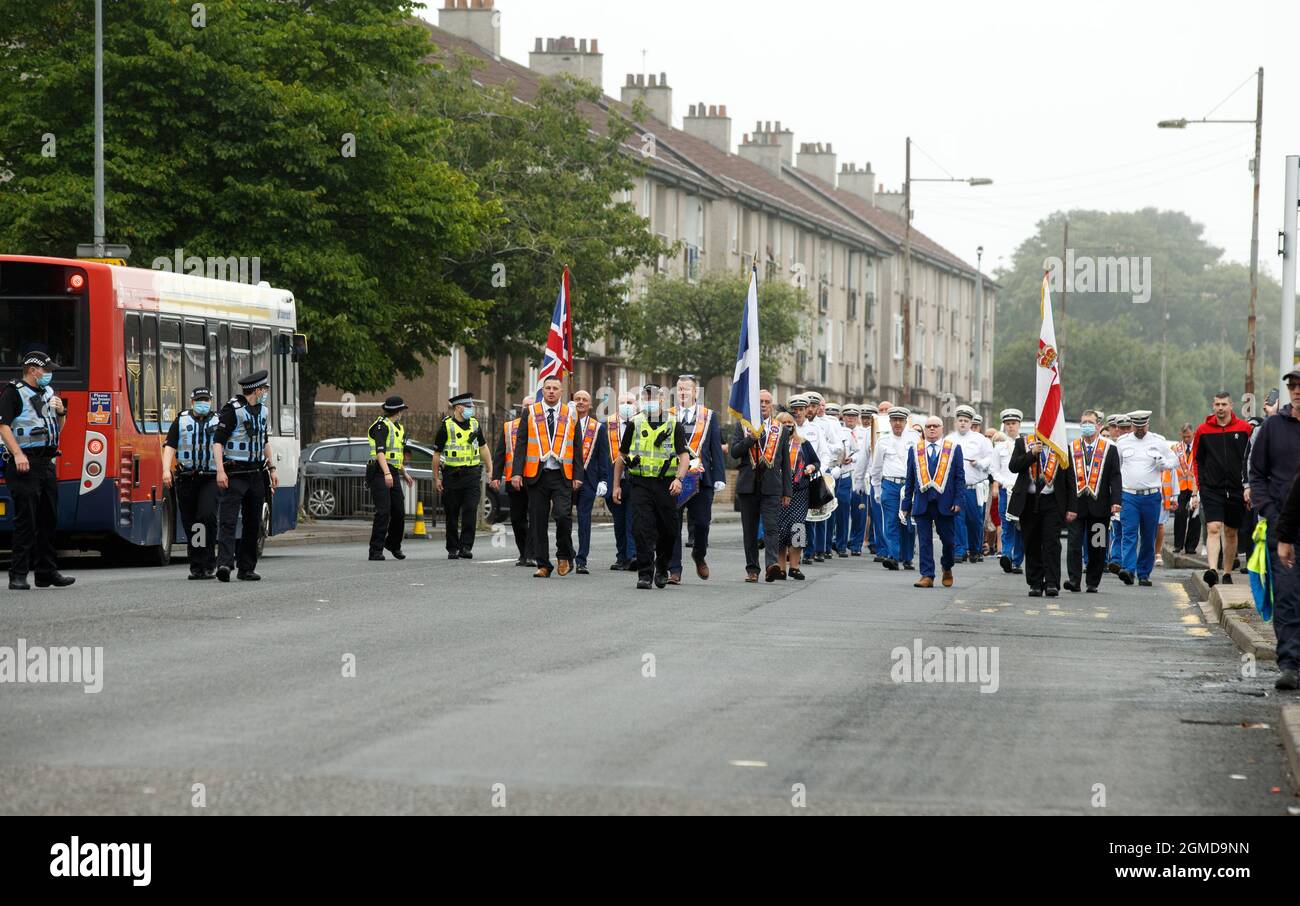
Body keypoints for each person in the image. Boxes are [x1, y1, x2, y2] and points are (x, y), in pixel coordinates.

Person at [0, 351, 73, 590]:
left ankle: (46, 572)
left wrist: (62, 412)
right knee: (26, 521)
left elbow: (57, 428)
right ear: (33, 370)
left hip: (47, 463)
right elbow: (3, 425)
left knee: (48, 519)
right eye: (46, 369)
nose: (49, 374)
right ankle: (18, 575)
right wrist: (18, 454)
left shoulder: (49, 393)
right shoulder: (14, 392)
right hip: (25, 463)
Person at [613, 385, 689, 590]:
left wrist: (679, 479)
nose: (650, 400)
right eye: (646, 397)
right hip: (641, 483)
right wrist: (616, 485)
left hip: (666, 484)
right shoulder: (635, 423)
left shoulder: (674, 424)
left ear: (662, 399)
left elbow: (684, 456)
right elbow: (621, 457)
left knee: (669, 530)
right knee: (641, 528)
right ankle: (645, 573)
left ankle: (662, 567)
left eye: (654, 396)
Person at [1252, 373, 1300, 689]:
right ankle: (1290, 665)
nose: (1296, 392)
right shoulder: (1273, 427)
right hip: (1284, 529)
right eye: (1292, 387)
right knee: (1288, 597)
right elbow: (1257, 475)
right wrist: (1270, 512)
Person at [511, 376, 584, 578]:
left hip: (562, 475)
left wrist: (578, 474)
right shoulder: (531, 412)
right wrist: (516, 472)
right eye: (548, 388)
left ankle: (564, 555)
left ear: (561, 392)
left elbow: (577, 446)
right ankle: (543, 564)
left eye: (555, 388)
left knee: (562, 516)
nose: (551, 391)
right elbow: (521, 444)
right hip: (537, 475)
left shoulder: (571, 413)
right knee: (538, 521)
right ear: (542, 391)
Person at [212, 370, 279, 582]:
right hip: (235, 473)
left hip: (256, 473)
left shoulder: (263, 411)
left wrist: (272, 468)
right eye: (265, 389)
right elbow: (218, 442)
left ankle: (246, 567)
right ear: (257, 390)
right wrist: (220, 471)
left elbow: (264, 441)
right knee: (228, 521)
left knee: (253, 523)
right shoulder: (232, 410)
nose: (266, 392)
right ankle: (224, 564)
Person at [668, 375, 725, 583]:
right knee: (672, 524)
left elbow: (715, 448)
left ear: (696, 393)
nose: (683, 393)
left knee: (702, 523)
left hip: (702, 479)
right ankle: (675, 569)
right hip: (675, 478)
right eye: (680, 389)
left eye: (687, 389)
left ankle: (699, 555)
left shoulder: (709, 416)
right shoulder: (668, 415)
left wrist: (719, 476)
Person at [1191, 392, 1252, 587]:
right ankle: (1212, 570)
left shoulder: (1244, 429)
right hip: (1212, 488)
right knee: (1213, 528)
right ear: (1213, 405)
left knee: (1231, 532)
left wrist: (1248, 485)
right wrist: (1201, 485)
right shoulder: (1203, 430)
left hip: (1236, 489)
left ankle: (1226, 572)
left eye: (1223, 404)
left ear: (1231, 405)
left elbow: (1250, 457)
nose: (1220, 408)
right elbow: (1197, 460)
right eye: (1216, 404)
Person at [731, 390, 792, 582]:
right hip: (748, 486)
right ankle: (752, 569)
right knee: (749, 530)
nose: (764, 405)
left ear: (772, 405)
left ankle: (771, 565)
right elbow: (734, 452)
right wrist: (750, 439)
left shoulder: (779, 429)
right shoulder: (742, 426)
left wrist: (787, 491)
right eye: (760, 401)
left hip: (772, 487)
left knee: (772, 528)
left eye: (767, 402)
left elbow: (785, 463)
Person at [1008, 429, 1076, 597]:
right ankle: (1035, 583)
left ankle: (1052, 582)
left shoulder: (1061, 447)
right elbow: (1013, 467)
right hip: (1029, 500)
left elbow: (1070, 480)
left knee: (1051, 542)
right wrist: (1031, 454)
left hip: (1052, 501)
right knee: (1031, 542)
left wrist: (1072, 507)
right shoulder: (1022, 443)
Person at [163, 387, 220, 579]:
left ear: (211, 402)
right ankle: (197, 566)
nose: (202, 403)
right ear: (191, 401)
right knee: (192, 523)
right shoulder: (181, 421)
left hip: (210, 478)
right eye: (199, 400)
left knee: (206, 516)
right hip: (187, 478)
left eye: (206, 400)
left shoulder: (218, 421)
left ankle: (209, 561)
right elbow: (170, 446)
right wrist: (166, 470)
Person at [902, 415, 965, 589]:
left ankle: (947, 566)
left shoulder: (953, 449)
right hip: (922, 502)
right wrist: (906, 503)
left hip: (946, 503)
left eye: (935, 426)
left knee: (949, 541)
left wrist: (959, 500)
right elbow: (910, 478)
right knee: (924, 541)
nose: (931, 429)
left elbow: (960, 477)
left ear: (942, 428)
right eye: (928, 426)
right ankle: (927, 575)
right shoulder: (915, 450)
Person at [1115, 410, 1177, 586]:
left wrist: (1163, 464)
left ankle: (1144, 573)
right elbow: (1117, 467)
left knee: (1149, 535)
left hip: (1151, 495)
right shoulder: (1122, 442)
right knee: (1129, 533)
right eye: (1137, 426)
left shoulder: (1158, 441)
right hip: (1129, 495)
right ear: (1132, 425)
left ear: (1148, 425)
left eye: (1143, 426)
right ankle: (1128, 569)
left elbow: (1175, 461)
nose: (1140, 430)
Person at [1065, 410, 1121, 593]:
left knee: (1097, 545)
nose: (1087, 425)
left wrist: (1116, 501)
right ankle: (1074, 580)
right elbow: (1067, 479)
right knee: (1073, 544)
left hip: (1101, 506)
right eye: (1084, 422)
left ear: (1098, 425)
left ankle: (1092, 582)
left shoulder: (1109, 449)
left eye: (1090, 422)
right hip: (1076, 506)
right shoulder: (1071, 448)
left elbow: (1115, 477)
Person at [432, 392, 491, 560]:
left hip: (472, 475)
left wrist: (490, 467)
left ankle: (466, 546)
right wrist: (436, 478)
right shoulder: (446, 427)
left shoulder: (474, 424)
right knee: (451, 513)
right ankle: (452, 547)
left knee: (470, 510)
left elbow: (483, 447)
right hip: (452, 476)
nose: (471, 409)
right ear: (458, 408)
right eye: (469, 407)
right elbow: (436, 454)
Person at [366, 396, 416, 562]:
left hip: (393, 471)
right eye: (402, 410)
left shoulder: (398, 428)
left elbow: (396, 455)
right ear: (398, 411)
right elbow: (381, 452)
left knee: (399, 511)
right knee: (383, 511)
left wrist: (404, 472)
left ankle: (393, 544)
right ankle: (375, 550)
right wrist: (387, 473)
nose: (403, 413)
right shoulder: (381, 426)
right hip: (380, 472)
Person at [774, 406, 820, 581]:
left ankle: (794, 567)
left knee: (798, 528)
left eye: (789, 423)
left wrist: (811, 467)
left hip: (800, 492)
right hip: (778, 492)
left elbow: (816, 461)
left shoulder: (803, 443)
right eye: (783, 423)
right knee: (780, 530)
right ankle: (780, 568)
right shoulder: (773, 444)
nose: (787, 426)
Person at [869, 407, 916, 571]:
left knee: (908, 522)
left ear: (905, 422)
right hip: (889, 484)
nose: (897, 423)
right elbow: (876, 468)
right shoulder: (883, 441)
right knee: (890, 521)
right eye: (894, 420)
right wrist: (876, 490)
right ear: (889, 422)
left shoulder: (915, 439)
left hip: (909, 486)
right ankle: (893, 556)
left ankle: (908, 558)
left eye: (900, 420)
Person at [490, 397, 534, 567]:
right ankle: (523, 552)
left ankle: (532, 553)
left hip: (534, 479)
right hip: (513, 481)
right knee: (517, 519)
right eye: (525, 406)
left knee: (535, 517)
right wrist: (495, 476)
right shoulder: (509, 427)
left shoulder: (541, 428)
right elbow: (500, 452)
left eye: (531, 406)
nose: (528, 409)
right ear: (520, 408)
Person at [948, 404, 994, 563]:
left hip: (974, 488)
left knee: (975, 521)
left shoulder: (980, 439)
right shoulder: (949, 439)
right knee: (957, 519)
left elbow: (990, 459)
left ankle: (975, 549)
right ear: (956, 422)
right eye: (960, 420)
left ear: (971, 423)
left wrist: (979, 463)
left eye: (966, 421)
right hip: (956, 488)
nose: (962, 423)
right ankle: (959, 549)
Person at [572, 389, 608, 575]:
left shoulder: (598, 427)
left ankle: (581, 559)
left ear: (590, 404)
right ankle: (567, 550)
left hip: (588, 480)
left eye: (584, 399)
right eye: (577, 399)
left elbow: (603, 455)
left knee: (584, 519)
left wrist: (604, 479)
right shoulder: (566, 423)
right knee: (561, 515)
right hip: (566, 478)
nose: (580, 402)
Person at [603, 392, 638, 571]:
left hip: (634, 480)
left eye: (630, 402)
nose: (626, 405)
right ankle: (621, 556)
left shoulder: (642, 423)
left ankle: (632, 556)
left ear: (636, 404)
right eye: (623, 402)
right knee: (619, 522)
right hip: (614, 481)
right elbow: (602, 454)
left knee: (632, 520)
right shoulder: (607, 425)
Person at [992, 409, 1024, 575]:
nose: (1011, 427)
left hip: (1021, 492)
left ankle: (1017, 560)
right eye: (1008, 424)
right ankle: (1006, 556)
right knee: (1006, 524)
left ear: (1019, 425)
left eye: (1013, 424)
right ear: (1004, 425)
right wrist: (1003, 482)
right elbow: (994, 470)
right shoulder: (999, 447)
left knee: (1021, 526)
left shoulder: (1026, 444)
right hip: (1006, 489)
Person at [1105, 414, 1132, 573]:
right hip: (1111, 493)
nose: (1122, 431)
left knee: (1125, 529)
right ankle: (1111, 558)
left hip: (1128, 493)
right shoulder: (1109, 445)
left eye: (1127, 428)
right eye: (1120, 428)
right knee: (1111, 528)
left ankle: (1120, 560)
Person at [844, 405, 871, 556]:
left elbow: (864, 454)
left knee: (859, 512)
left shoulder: (864, 433)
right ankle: (840, 540)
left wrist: (853, 458)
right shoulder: (840, 431)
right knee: (841, 512)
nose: (851, 419)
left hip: (859, 477)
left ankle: (856, 544)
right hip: (843, 475)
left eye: (854, 416)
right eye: (848, 416)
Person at [1172, 424, 1201, 555]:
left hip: (1195, 486)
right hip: (1180, 487)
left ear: (1193, 433)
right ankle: (1178, 544)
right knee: (1179, 515)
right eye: (1184, 436)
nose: (1186, 439)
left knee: (1195, 517)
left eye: (1188, 436)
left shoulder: (1199, 446)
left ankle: (1191, 547)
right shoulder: (1176, 448)